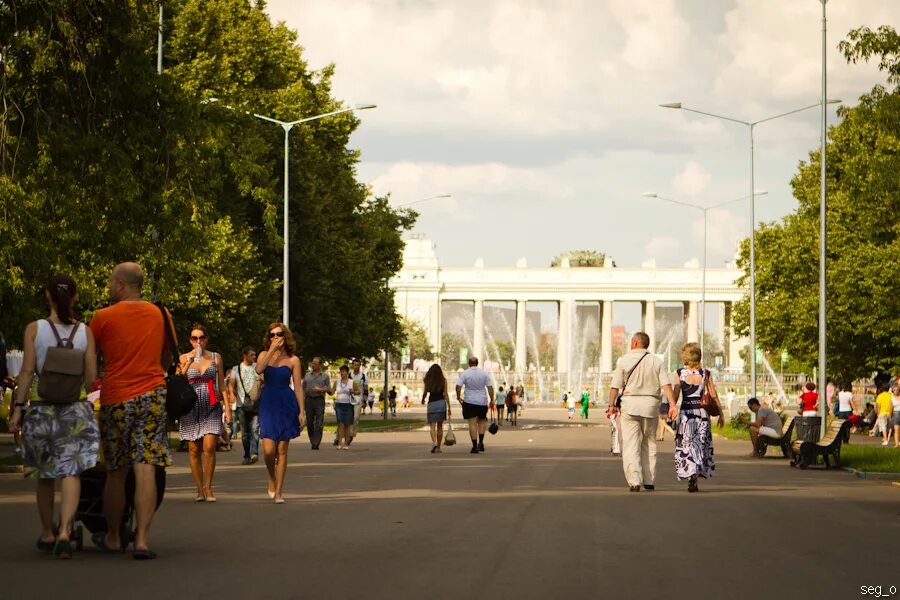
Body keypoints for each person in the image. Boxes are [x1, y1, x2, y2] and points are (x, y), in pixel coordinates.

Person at [8, 275, 100, 559]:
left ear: (48, 296)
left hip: (42, 409)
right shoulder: (86, 332)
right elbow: (92, 378)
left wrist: (18, 408)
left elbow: (26, 372)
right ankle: (65, 531)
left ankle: (48, 532)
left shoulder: (35, 329)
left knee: (45, 475)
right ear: (74, 298)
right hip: (75, 410)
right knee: (71, 471)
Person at [90, 262, 173, 559]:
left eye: (111, 281)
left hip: (116, 397)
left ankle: (113, 536)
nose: (109, 286)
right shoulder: (161, 314)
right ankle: (142, 540)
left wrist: (90, 387)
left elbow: (92, 359)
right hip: (152, 395)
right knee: (146, 466)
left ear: (122, 285)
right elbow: (167, 355)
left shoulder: (101, 317)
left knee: (115, 470)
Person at [607, 332, 674, 492]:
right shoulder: (656, 361)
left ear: (635, 343)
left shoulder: (624, 360)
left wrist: (611, 406)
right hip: (650, 406)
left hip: (630, 406)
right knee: (649, 443)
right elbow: (666, 385)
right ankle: (649, 480)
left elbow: (615, 387)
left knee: (630, 445)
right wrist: (672, 405)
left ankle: (634, 481)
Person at [178, 324, 230, 502]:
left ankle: (208, 487)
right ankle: (199, 489)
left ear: (206, 339)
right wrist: (189, 363)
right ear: (190, 341)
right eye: (194, 338)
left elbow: (222, 384)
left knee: (209, 447)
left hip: (211, 403)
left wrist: (228, 408)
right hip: (191, 404)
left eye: (201, 338)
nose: (198, 341)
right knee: (193, 449)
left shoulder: (216, 357)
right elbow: (180, 379)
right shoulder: (184, 357)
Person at [255, 323, 306, 504]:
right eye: (272, 335)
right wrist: (271, 351)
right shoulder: (263, 355)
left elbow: (298, 387)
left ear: (286, 336)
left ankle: (279, 491)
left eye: (279, 334)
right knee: (269, 451)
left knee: (282, 449)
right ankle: (271, 477)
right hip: (268, 402)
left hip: (286, 402)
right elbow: (259, 370)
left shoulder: (294, 360)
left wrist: (302, 411)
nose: (276, 337)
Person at [671, 342, 724, 493]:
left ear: (687, 357)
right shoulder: (705, 374)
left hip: (686, 414)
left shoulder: (679, 373)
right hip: (702, 414)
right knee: (700, 445)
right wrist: (721, 414)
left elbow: (675, 395)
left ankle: (690, 474)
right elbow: (713, 395)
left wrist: (671, 408)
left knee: (686, 445)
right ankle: (695, 473)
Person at [455, 357, 495, 454]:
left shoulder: (465, 373)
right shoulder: (484, 373)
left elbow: (458, 386)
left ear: (469, 363)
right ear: (477, 363)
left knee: (472, 424)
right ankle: (481, 442)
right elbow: (490, 388)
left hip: (469, 401)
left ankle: (474, 446)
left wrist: (458, 397)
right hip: (482, 401)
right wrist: (492, 399)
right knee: (481, 422)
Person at [229, 347, 260, 464]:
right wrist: (231, 393)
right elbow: (231, 384)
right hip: (241, 404)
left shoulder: (257, 367)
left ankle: (254, 453)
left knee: (255, 429)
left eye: (255, 355)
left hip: (256, 404)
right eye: (252, 355)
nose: (254, 357)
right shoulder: (236, 369)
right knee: (245, 433)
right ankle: (247, 455)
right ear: (245, 356)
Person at [301, 357, 330, 450]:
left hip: (319, 400)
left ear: (320, 365)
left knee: (319, 422)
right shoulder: (307, 375)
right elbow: (303, 388)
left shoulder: (325, 376)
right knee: (309, 422)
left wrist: (320, 389)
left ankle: (316, 442)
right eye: (312, 363)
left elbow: (328, 389)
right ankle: (312, 438)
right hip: (308, 400)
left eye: (315, 364)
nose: (313, 365)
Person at [421, 364, 451, 453]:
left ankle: (434, 443)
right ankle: (438, 447)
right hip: (441, 403)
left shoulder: (428, 381)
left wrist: (423, 399)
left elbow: (425, 392)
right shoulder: (443, 381)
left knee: (432, 426)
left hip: (432, 404)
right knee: (440, 426)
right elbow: (445, 394)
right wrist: (449, 406)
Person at [330, 365, 354, 449]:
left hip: (348, 404)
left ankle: (346, 443)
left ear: (347, 373)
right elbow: (332, 392)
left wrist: (353, 391)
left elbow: (358, 391)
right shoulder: (337, 382)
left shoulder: (352, 382)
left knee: (347, 424)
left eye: (343, 372)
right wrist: (325, 389)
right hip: (339, 404)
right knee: (340, 424)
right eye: (341, 372)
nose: (342, 373)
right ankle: (340, 443)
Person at [347, 359, 368, 446]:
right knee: (347, 419)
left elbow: (366, 389)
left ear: (360, 366)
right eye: (355, 365)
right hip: (349, 400)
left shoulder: (363, 376)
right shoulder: (349, 376)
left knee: (355, 418)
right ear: (352, 365)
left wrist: (364, 400)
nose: (356, 366)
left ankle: (352, 434)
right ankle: (343, 435)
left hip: (358, 400)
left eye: (358, 365)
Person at [891, 384, 900, 449]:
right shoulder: (891, 398)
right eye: (894, 390)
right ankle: (897, 444)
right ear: (893, 391)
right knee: (896, 429)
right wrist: (890, 416)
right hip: (896, 414)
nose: (896, 391)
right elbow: (891, 408)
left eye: (897, 390)